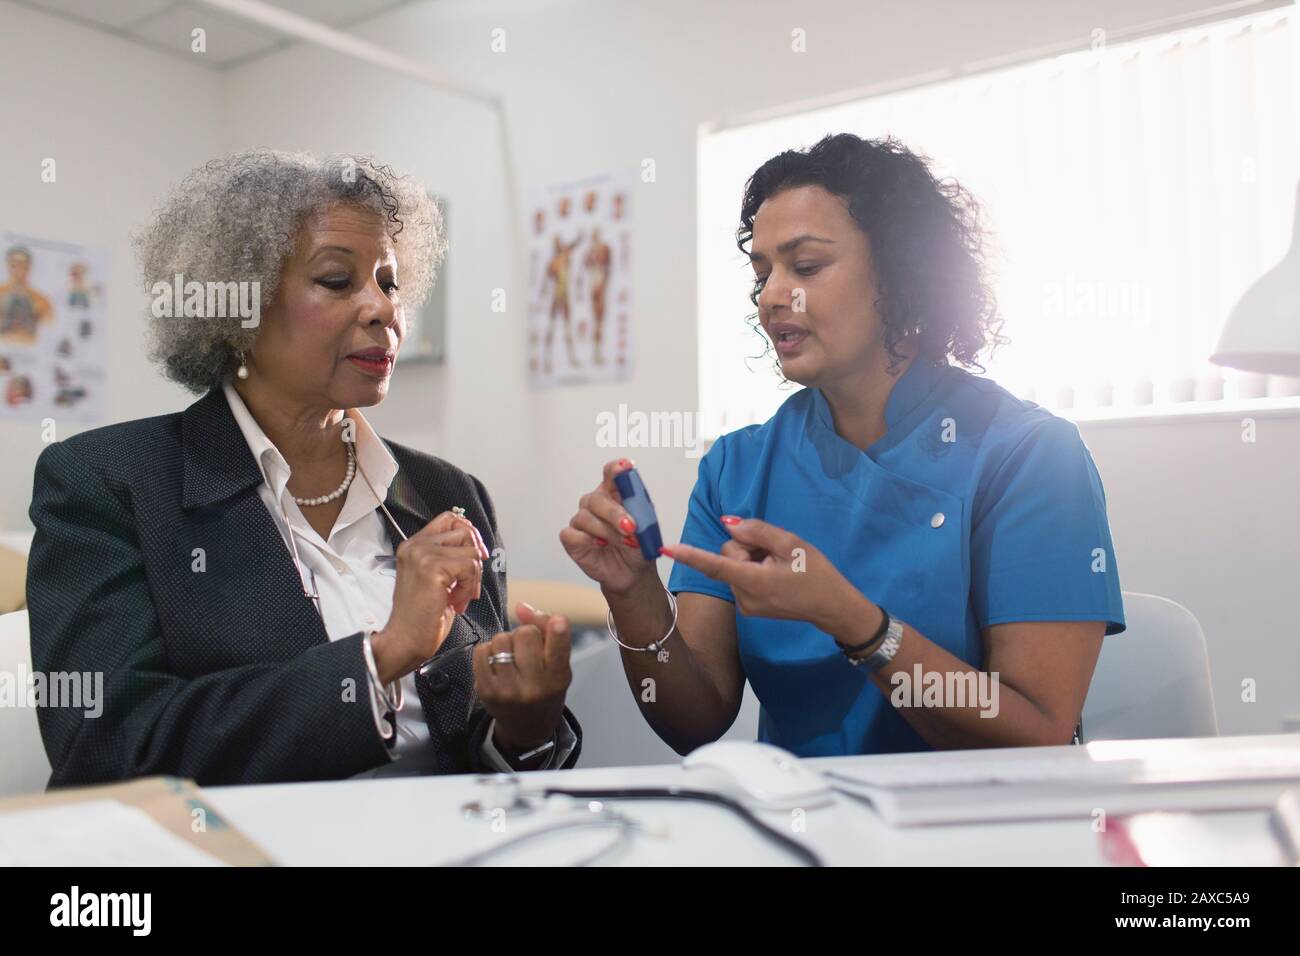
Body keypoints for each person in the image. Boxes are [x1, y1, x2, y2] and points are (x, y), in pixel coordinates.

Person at [561, 133, 1125, 758]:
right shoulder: (737, 467)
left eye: (805, 267)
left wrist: (856, 623)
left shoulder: (1030, 456)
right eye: (762, 273)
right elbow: (696, 719)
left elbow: (1035, 730)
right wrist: (634, 589)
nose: (773, 294)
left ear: (901, 273)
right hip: (801, 834)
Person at [27, 150, 580, 786]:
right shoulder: (107, 482)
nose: (383, 310)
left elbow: (494, 752)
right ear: (238, 311)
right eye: (337, 281)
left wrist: (526, 725)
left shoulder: (448, 494)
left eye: (390, 281)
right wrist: (383, 655)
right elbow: (108, 747)